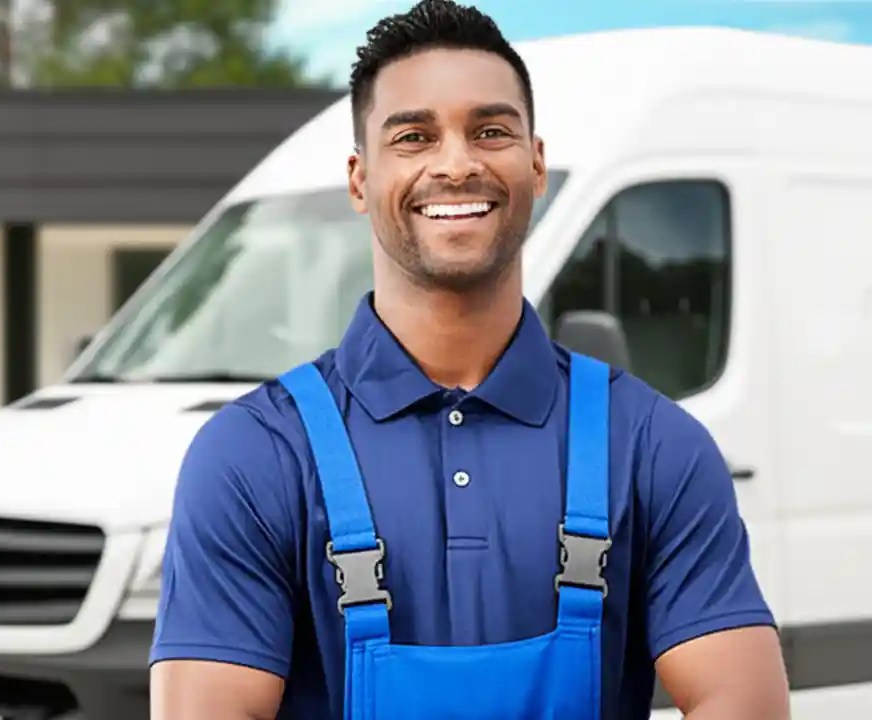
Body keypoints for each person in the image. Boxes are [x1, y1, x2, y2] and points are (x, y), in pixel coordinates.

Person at [147, 1, 791, 718]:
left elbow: (744, 704)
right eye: (414, 137)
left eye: (490, 131)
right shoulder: (253, 455)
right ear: (360, 180)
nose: (456, 164)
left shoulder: (652, 446)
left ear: (536, 164)